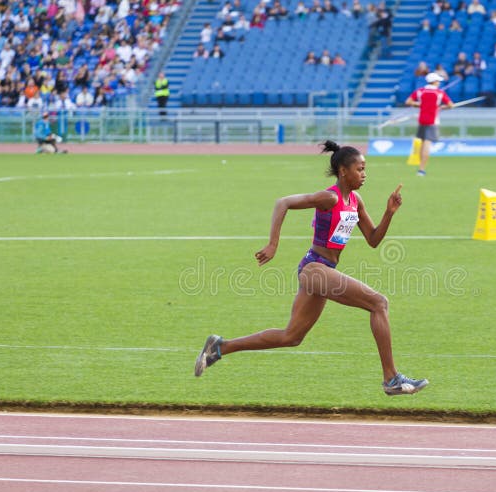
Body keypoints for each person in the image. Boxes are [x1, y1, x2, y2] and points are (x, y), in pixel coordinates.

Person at [194, 141, 429, 396]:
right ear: (342, 171)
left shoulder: (356, 201)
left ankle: (219, 347)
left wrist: (389, 213)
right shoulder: (329, 197)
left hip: (323, 269)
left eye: (365, 169)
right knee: (378, 303)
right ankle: (391, 378)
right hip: (314, 268)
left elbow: (373, 239)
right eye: (360, 169)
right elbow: (282, 202)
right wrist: (273, 244)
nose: (364, 174)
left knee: (291, 337)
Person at [404, 72, 453, 177]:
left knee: (422, 143)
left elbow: (408, 102)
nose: (439, 83)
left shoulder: (420, 91)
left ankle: (421, 167)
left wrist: (418, 104)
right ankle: (421, 169)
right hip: (432, 121)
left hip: (421, 120)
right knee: (427, 144)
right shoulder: (439, 93)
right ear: (434, 81)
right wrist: (442, 107)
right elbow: (450, 105)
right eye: (438, 81)